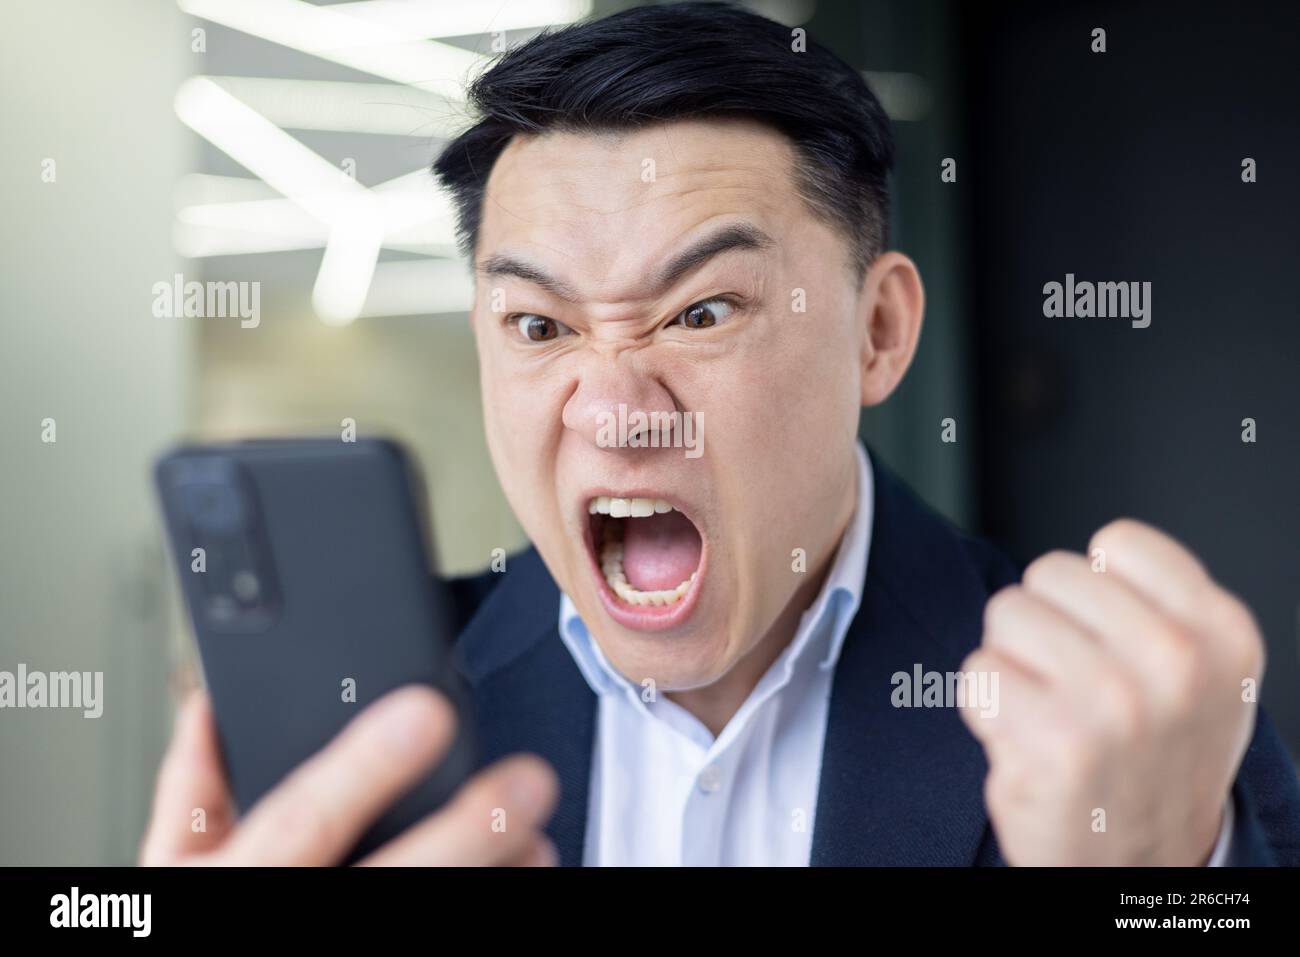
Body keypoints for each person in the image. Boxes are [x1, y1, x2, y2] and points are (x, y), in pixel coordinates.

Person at [141, 1, 1300, 867]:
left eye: (701, 311)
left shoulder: (1148, 742)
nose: (612, 407)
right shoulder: (355, 727)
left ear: (879, 332)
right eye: (540, 324)